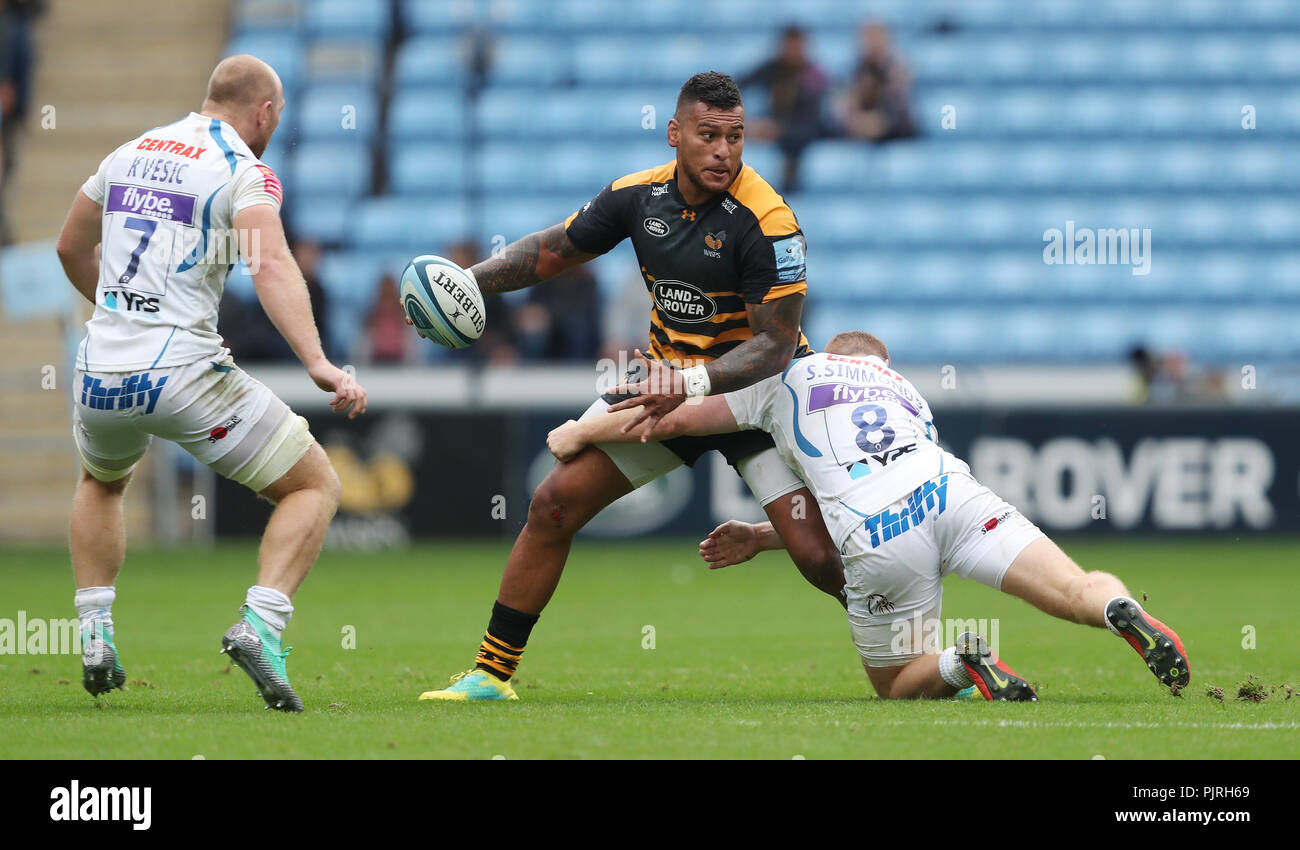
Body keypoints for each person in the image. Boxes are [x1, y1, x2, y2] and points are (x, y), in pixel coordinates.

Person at [414, 71, 846, 702]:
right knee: (554, 503)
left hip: (755, 402)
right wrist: (466, 283)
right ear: (675, 135)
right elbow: (555, 250)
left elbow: (776, 345)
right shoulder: (636, 198)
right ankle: (490, 674)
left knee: (814, 556)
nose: (724, 151)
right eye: (708, 136)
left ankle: (927, 657)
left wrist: (691, 383)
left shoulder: (769, 221)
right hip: (662, 385)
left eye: (735, 137)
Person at [546, 332, 1191, 701]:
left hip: (878, 531)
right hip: (952, 494)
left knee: (897, 679)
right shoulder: (904, 390)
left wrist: (581, 432)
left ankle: (961, 663)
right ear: (880, 363)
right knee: (1076, 587)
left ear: (829, 350)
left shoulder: (786, 376)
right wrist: (769, 539)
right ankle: (1118, 611)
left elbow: (672, 416)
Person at [55, 55, 367, 712]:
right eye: (274, 119)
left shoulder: (129, 152)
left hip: (101, 368)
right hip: (184, 370)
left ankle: (94, 631)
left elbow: (68, 247)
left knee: (102, 482)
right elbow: (272, 263)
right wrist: (317, 361)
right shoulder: (243, 171)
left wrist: (118, 311)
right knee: (313, 484)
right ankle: (261, 626)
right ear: (265, 114)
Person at [739, 25, 832, 193]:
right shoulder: (773, 68)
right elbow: (737, 85)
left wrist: (778, 129)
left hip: (803, 135)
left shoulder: (814, 76)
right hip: (774, 129)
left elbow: (815, 122)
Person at [841, 22, 918, 144]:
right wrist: (859, 122)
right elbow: (842, 107)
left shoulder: (899, 71)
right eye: (868, 37)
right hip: (858, 136)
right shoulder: (852, 71)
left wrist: (882, 122)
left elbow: (904, 111)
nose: (872, 42)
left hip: (896, 137)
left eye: (877, 36)